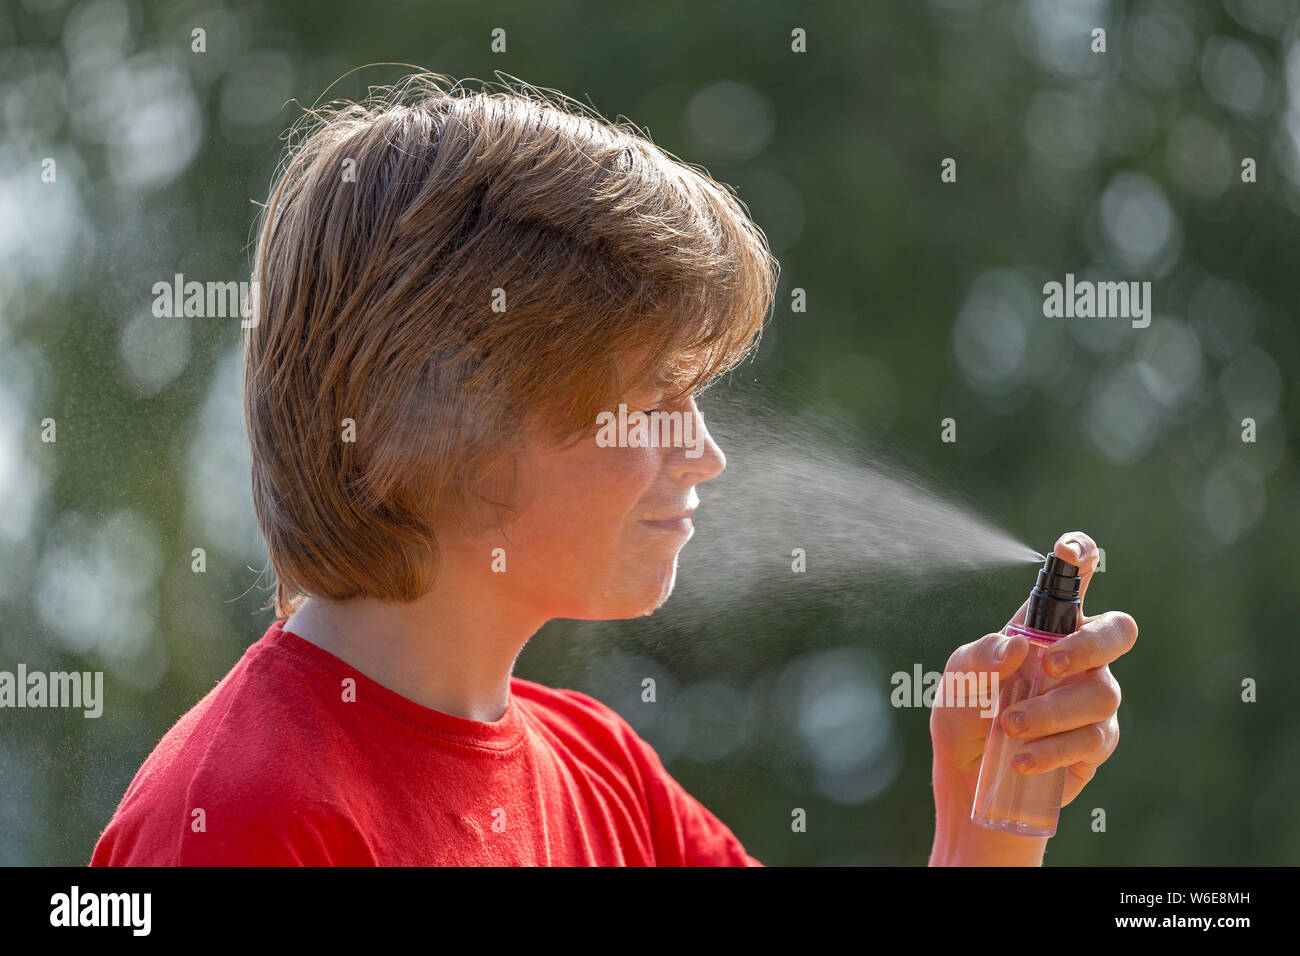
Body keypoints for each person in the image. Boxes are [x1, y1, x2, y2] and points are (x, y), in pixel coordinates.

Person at [90, 74, 1135, 866]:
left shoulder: (607, 774)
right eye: (653, 401)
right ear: (448, 414)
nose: (709, 452)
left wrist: (987, 818)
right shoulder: (248, 815)